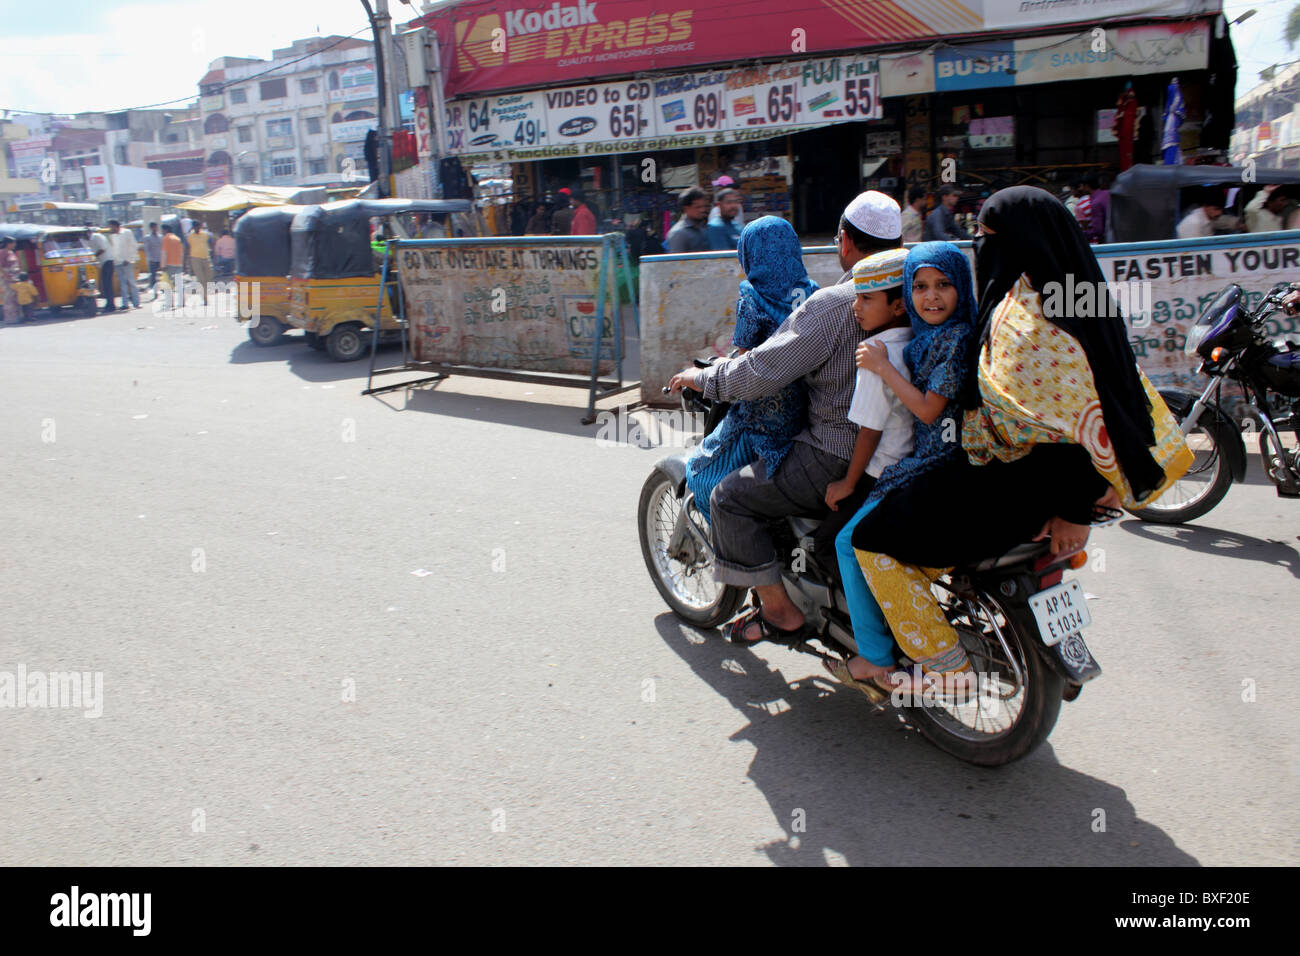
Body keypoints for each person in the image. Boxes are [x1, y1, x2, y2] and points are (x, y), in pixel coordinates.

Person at [827, 186, 1191, 697]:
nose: (983, 249)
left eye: (990, 239)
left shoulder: (1028, 320)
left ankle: (944, 667)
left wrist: (1075, 510)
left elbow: (1061, 430)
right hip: (1033, 481)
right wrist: (1110, 481)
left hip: (1014, 485)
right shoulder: (1076, 302)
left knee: (868, 541)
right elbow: (1123, 404)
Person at [665, 191, 903, 644]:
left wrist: (704, 380)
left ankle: (780, 613)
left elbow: (760, 369)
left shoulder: (835, 305)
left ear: (846, 243)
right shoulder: (923, 287)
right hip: (908, 446)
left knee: (729, 498)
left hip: (837, 452)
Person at [827, 241, 975, 688]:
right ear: (907, 297)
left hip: (934, 466)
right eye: (921, 286)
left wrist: (882, 366)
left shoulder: (953, 338)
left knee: (850, 543)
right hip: (927, 462)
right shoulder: (923, 336)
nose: (931, 297)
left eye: (943, 285)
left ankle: (876, 656)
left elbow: (928, 412)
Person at [684, 217, 818, 522]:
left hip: (764, 416)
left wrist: (714, 371)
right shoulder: (813, 291)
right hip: (810, 412)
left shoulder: (753, 296)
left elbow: (743, 364)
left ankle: (729, 538)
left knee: (701, 471)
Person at [816, 247, 914, 577]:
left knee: (827, 545)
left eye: (867, 299)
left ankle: (861, 620)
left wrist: (848, 482)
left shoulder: (875, 353)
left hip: (878, 474)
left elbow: (869, 432)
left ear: (898, 305)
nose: (856, 307)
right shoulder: (913, 340)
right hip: (907, 468)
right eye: (857, 297)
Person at [666, 186, 712, 253]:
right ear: (686, 208)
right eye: (698, 207)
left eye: (706, 206)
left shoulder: (704, 228)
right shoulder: (679, 233)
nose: (703, 210)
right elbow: (677, 261)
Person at [108, 220, 140, 310]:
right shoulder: (112, 236)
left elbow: (133, 246)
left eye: (111, 227)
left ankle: (136, 303)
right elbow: (114, 249)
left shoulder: (126, 232)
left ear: (115, 226)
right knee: (122, 284)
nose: (110, 229)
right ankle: (125, 304)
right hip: (118, 262)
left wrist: (128, 259)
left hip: (127, 261)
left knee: (132, 282)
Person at [86, 223, 115, 312]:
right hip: (103, 263)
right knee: (105, 285)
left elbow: (103, 249)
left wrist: (94, 256)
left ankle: (111, 305)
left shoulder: (97, 237)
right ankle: (109, 304)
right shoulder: (90, 239)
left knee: (107, 285)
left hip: (107, 262)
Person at [187, 221, 213, 303]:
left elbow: (211, 244)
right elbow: (187, 249)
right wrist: (186, 262)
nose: (198, 228)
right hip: (195, 259)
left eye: (199, 226)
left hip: (206, 258)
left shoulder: (205, 235)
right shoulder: (189, 236)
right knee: (201, 279)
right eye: (196, 227)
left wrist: (213, 254)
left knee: (208, 278)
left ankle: (205, 293)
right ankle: (205, 298)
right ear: (193, 227)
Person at [160, 225, 184, 303]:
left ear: (165, 230)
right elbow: (181, 253)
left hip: (169, 264)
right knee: (179, 284)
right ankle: (181, 302)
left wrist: (162, 266)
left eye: (162, 230)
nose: (162, 232)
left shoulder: (166, 238)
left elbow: (164, 253)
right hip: (178, 263)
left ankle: (169, 302)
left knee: (167, 284)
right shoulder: (177, 239)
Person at [1, 238, 21, 324]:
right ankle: (10, 319)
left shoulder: (10, 252)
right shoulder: (2, 252)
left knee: (15, 298)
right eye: (13, 243)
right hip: (7, 278)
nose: (14, 245)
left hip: (14, 277)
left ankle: (16, 317)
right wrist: (7, 276)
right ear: (8, 244)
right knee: (8, 298)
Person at [1086, 173, 1110, 243]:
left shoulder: (1096, 202)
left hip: (1107, 240)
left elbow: (1098, 230)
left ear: (1087, 186)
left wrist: (1082, 234)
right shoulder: (1107, 193)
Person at [143, 222, 163, 290]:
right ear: (151, 228)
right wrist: (150, 259)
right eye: (153, 227)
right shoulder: (148, 237)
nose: (155, 229)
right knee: (153, 275)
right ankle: (155, 290)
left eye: (156, 227)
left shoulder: (161, 237)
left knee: (163, 274)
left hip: (160, 259)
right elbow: (147, 249)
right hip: (152, 260)